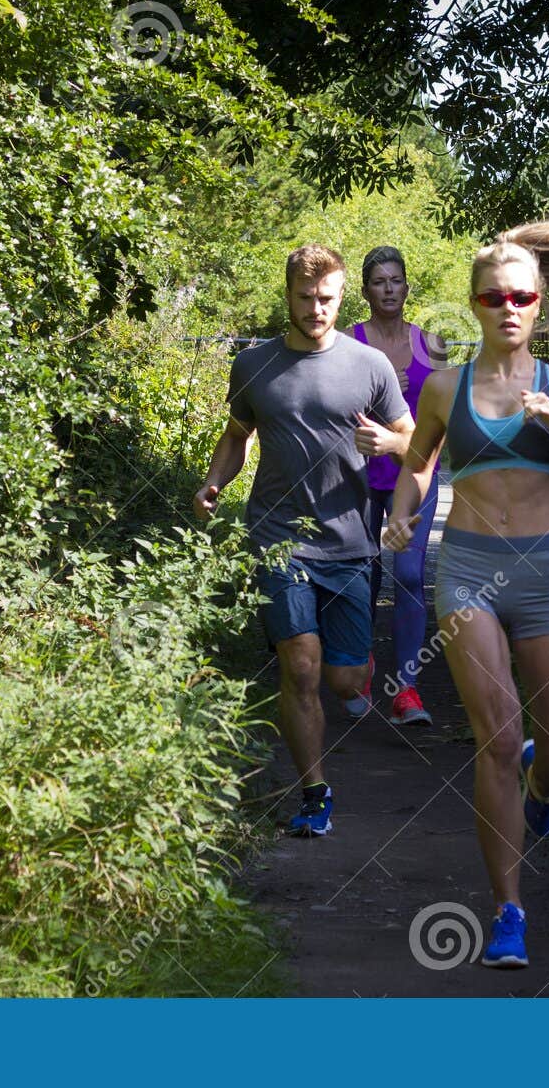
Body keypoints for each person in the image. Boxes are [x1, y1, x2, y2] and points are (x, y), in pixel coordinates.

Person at [382, 199, 549, 966]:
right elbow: (418, 465)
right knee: (496, 737)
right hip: (466, 571)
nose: (509, 308)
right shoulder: (442, 387)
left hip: (546, 573)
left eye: (522, 296)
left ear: (542, 303)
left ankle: (544, 781)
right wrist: (401, 516)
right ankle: (507, 911)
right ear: (475, 303)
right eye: (495, 296)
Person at [194, 244, 415, 837]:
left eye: (327, 299)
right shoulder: (255, 365)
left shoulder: (369, 366)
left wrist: (389, 447)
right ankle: (315, 790)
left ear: (342, 297)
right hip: (277, 536)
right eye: (305, 298)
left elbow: (411, 437)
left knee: (343, 680)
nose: (316, 309)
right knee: (300, 666)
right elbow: (237, 435)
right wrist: (214, 482)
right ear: (287, 294)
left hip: (349, 541)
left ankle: (354, 673)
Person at [342, 246, 448, 726]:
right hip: (361, 476)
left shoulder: (432, 344)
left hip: (415, 471)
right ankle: (362, 668)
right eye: (379, 281)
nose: (388, 288)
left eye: (396, 280)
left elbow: (445, 414)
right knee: (364, 576)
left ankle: (406, 689)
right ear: (365, 290)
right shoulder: (348, 342)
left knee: (408, 576)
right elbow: (335, 413)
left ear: (407, 288)